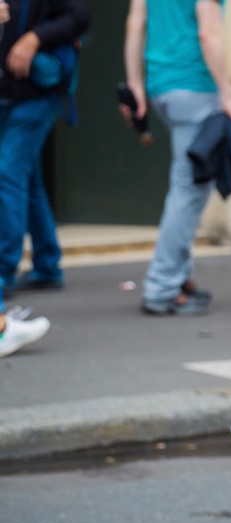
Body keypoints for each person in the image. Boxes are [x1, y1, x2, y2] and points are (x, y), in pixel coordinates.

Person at [121, 0, 231, 316]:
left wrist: (135, 85)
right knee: (189, 189)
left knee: (187, 185)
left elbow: (134, 24)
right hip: (194, 86)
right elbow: (208, 33)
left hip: (161, 88)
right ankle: (162, 286)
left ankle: (178, 277)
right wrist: (227, 94)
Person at [0, 0, 88, 358]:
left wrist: (33, 38)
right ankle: (47, 264)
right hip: (8, 93)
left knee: (8, 172)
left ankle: (3, 270)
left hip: (36, 93)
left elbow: (79, 16)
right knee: (26, 176)